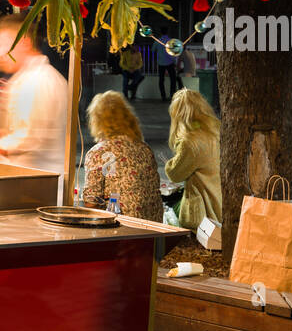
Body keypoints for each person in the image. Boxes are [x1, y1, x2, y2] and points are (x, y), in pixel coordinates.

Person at [0, 17, 69, 186]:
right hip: (24, 184)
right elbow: (27, 130)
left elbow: (30, 136)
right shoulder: (25, 78)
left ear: (23, 42)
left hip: (37, 188)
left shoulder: (38, 80)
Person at [81, 90, 161, 221]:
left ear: (97, 121)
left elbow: (91, 202)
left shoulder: (99, 153)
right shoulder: (144, 148)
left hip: (122, 228)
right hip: (153, 226)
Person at [164, 88, 223, 231]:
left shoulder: (191, 142)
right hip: (219, 201)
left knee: (166, 209)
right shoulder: (215, 131)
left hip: (204, 212)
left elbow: (174, 174)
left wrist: (169, 162)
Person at [156, 32, 181, 101]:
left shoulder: (157, 41)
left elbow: (153, 49)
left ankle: (163, 96)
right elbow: (175, 50)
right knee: (173, 79)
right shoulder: (171, 41)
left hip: (161, 63)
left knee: (161, 80)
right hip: (170, 62)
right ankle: (172, 94)